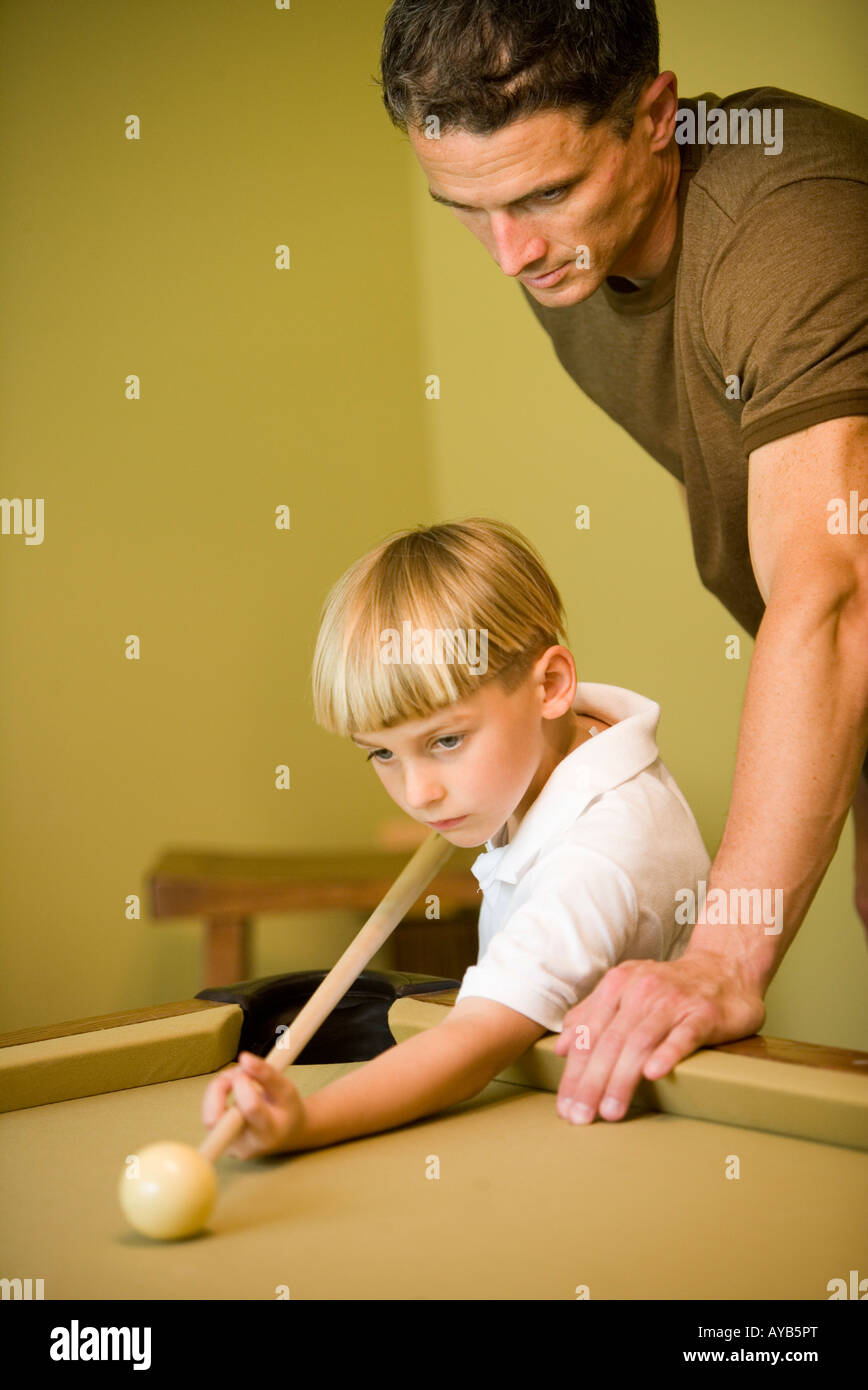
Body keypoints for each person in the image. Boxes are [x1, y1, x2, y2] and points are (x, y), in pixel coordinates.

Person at [376, 0, 868, 1124]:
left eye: (546, 194)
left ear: (653, 116)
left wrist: (723, 953)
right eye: (466, 207)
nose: (512, 251)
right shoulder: (559, 251)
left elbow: (834, 586)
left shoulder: (792, 226)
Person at [202, 518, 710, 1153]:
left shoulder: (597, 854)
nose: (418, 794)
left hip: (622, 1145)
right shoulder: (556, 753)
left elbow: (473, 1042)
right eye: (382, 755)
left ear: (550, 686)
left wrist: (308, 1121)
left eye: (445, 740)